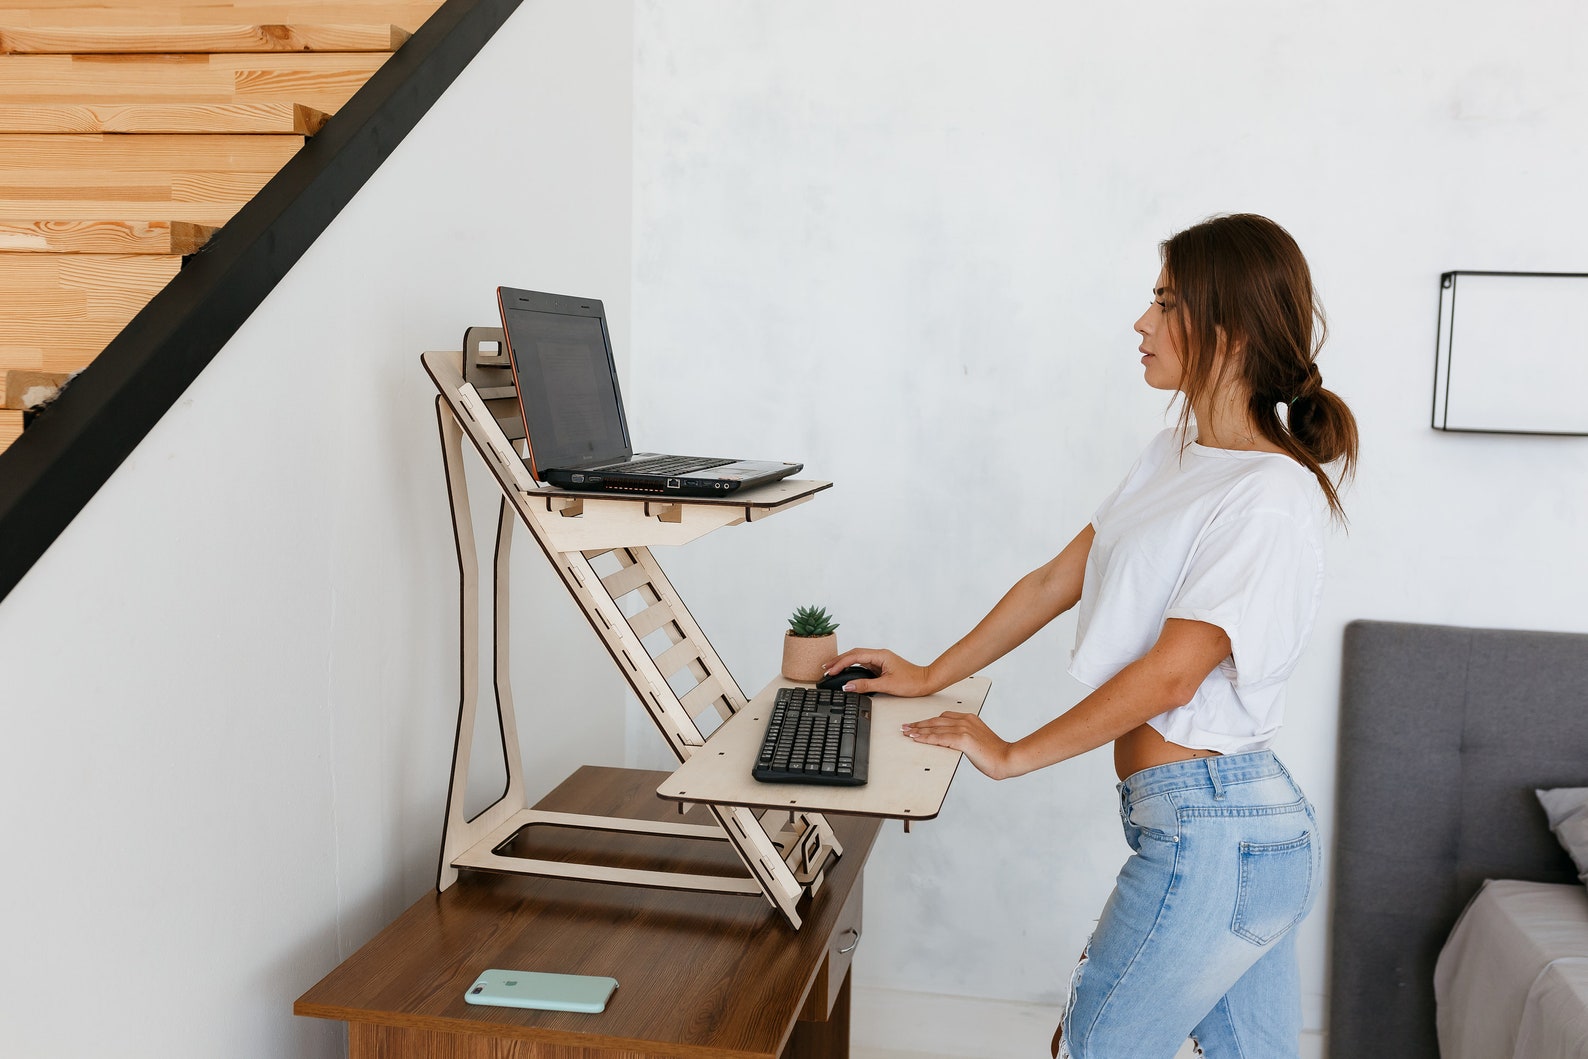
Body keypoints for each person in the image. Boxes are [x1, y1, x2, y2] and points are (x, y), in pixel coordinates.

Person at [824, 213, 1359, 1059]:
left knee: (1092, 1048)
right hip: (1223, 828)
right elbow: (1053, 580)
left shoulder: (1268, 494)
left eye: (1168, 303)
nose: (1141, 324)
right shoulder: (1172, 455)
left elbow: (1173, 676)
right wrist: (929, 672)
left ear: (1233, 332)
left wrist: (1011, 754)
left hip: (1214, 832)